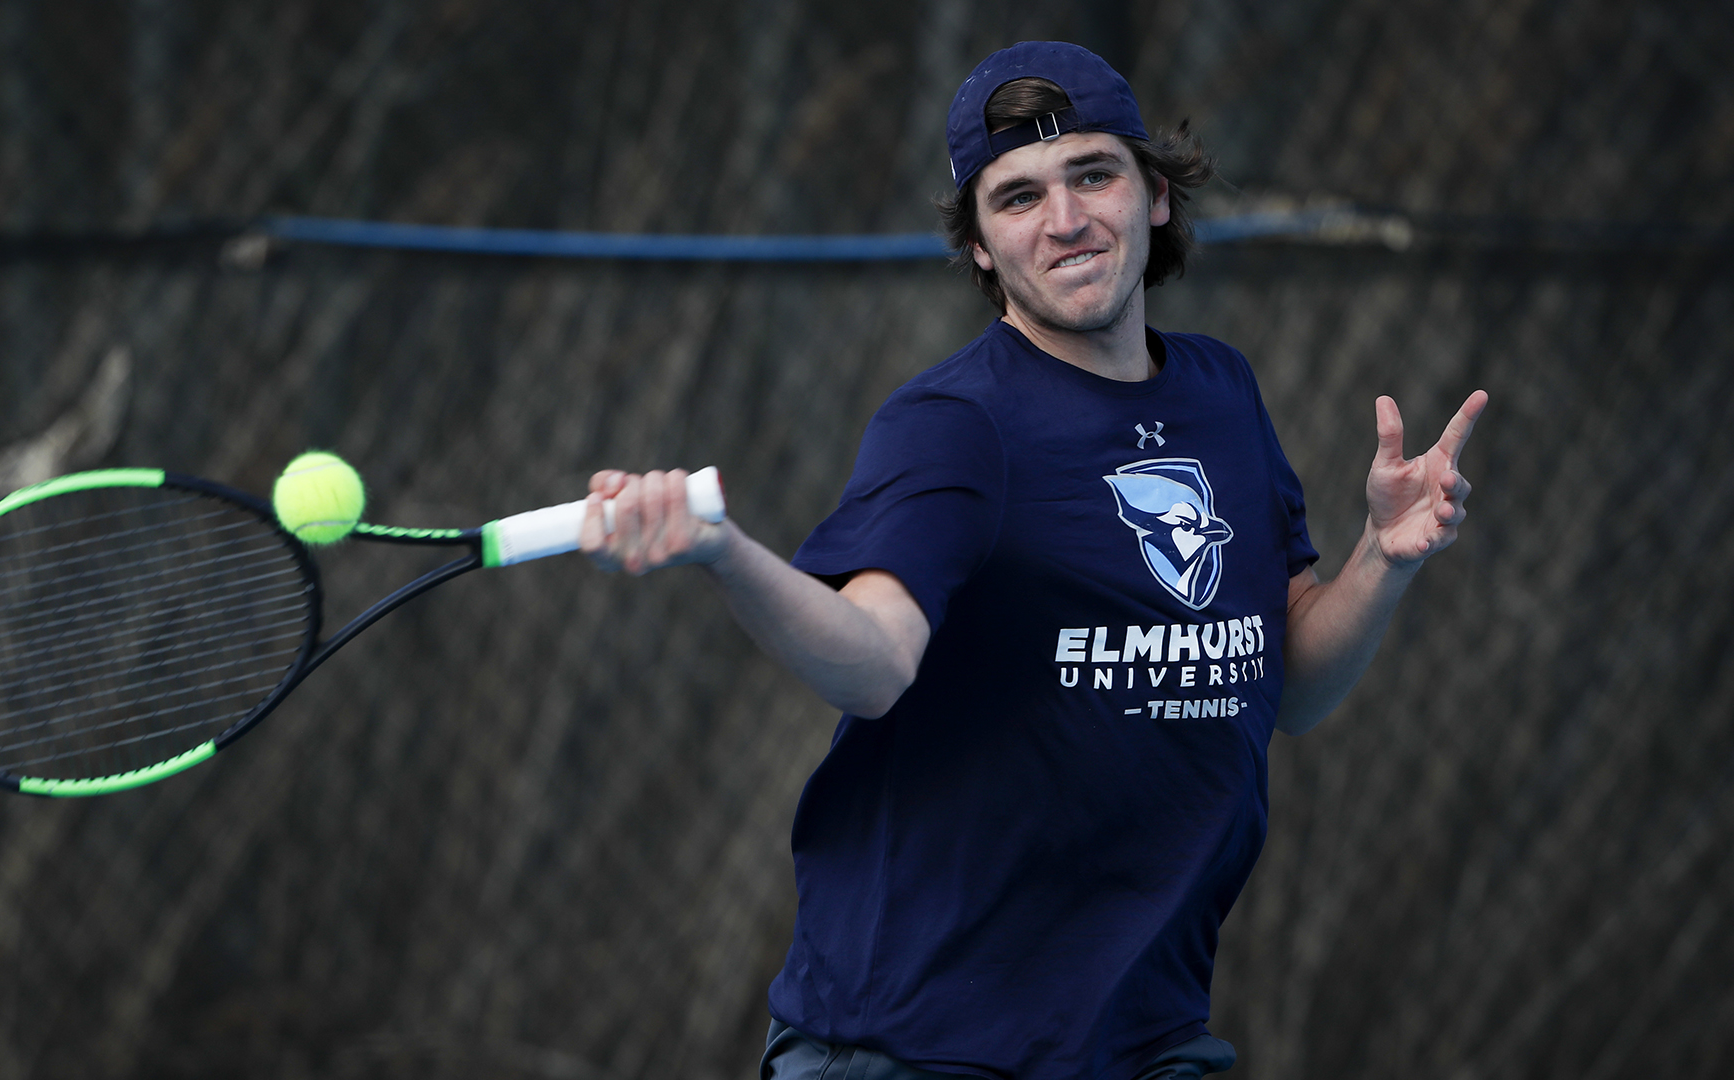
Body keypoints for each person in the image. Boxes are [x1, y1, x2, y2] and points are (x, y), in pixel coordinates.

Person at [580, 41, 1487, 1080]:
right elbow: (874, 659)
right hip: (914, 1050)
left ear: (1153, 195)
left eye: (1093, 175)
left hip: (1144, 1039)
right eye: (1016, 199)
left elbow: (1293, 688)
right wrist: (721, 550)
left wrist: (1387, 554)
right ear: (978, 245)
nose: (1065, 222)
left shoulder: (1221, 392)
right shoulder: (954, 425)